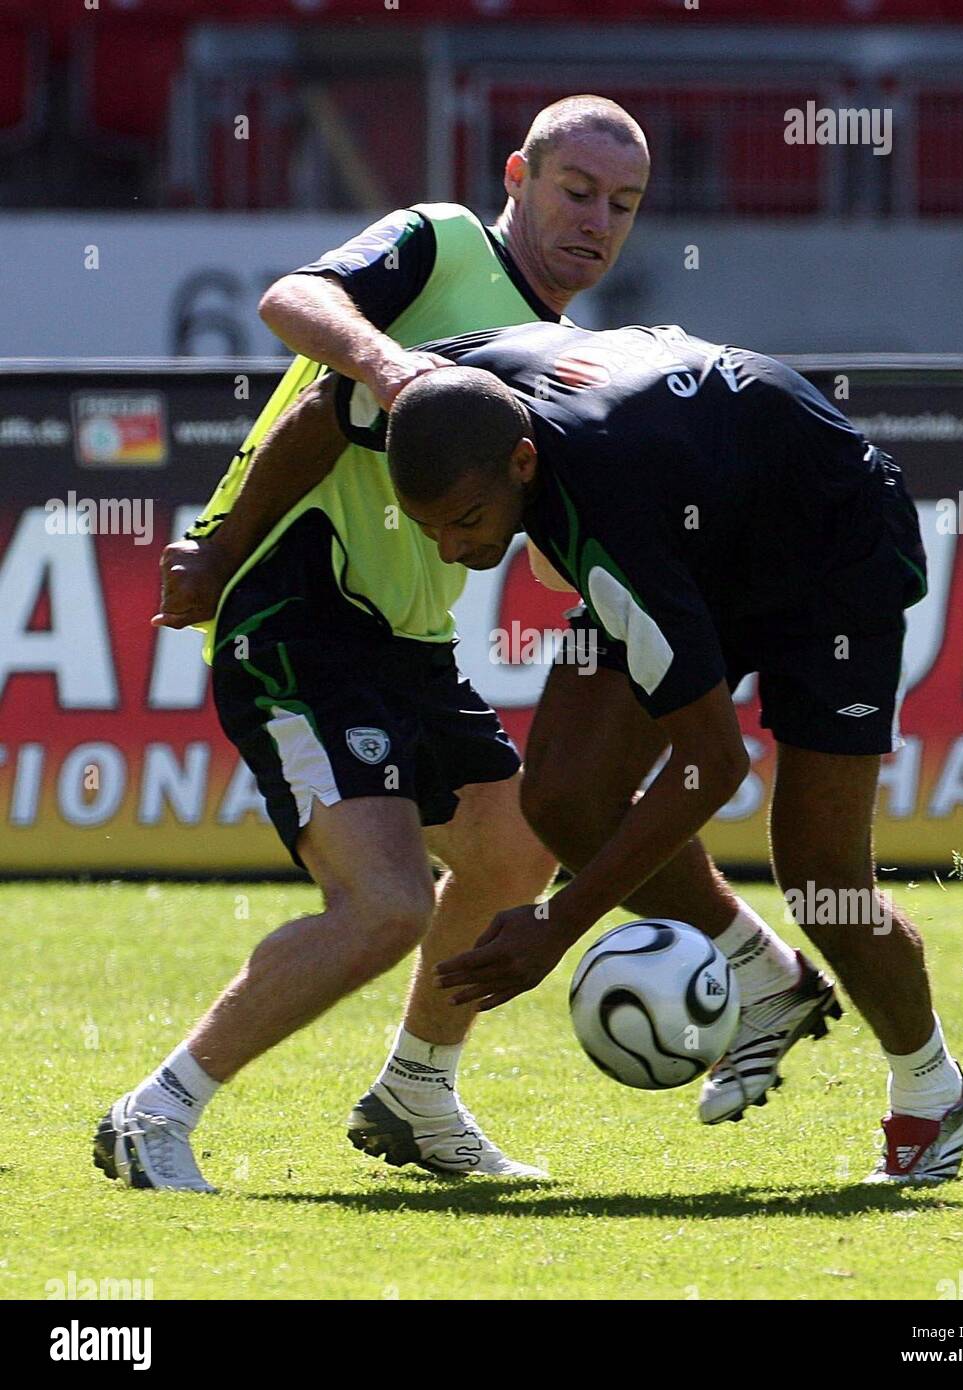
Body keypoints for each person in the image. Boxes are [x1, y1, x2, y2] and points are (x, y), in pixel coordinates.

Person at [94, 97, 652, 1191]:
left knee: (513, 844)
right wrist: (390, 368)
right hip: (294, 611)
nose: (597, 221)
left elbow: (538, 553)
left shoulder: (568, 360)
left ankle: (416, 1095)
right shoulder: (441, 241)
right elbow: (290, 298)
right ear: (519, 176)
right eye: (576, 191)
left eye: (623, 206)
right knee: (387, 907)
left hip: (410, 643)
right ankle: (151, 1114)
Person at [368, 319, 963, 1185]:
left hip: (832, 555)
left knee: (822, 876)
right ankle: (770, 983)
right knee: (563, 798)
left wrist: (558, 924)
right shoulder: (465, 381)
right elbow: (333, 378)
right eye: (430, 528)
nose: (453, 549)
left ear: (524, 463)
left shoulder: (609, 517)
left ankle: (931, 1094)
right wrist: (223, 544)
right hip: (694, 533)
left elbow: (712, 767)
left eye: (466, 520)